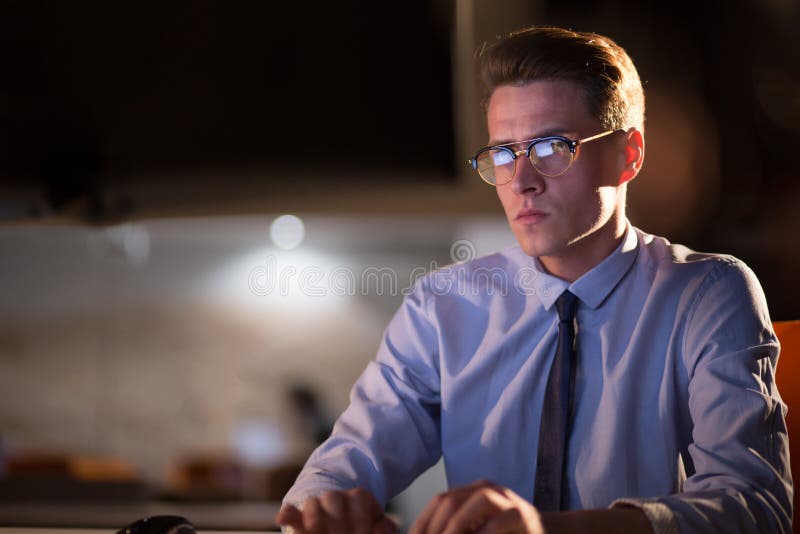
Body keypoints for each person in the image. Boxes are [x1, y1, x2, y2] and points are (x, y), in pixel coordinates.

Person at [276, 26, 792, 533]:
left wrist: (547, 531)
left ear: (628, 155)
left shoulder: (707, 294)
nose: (521, 180)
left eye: (552, 148)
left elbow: (756, 507)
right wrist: (323, 508)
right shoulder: (442, 306)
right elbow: (348, 460)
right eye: (503, 152)